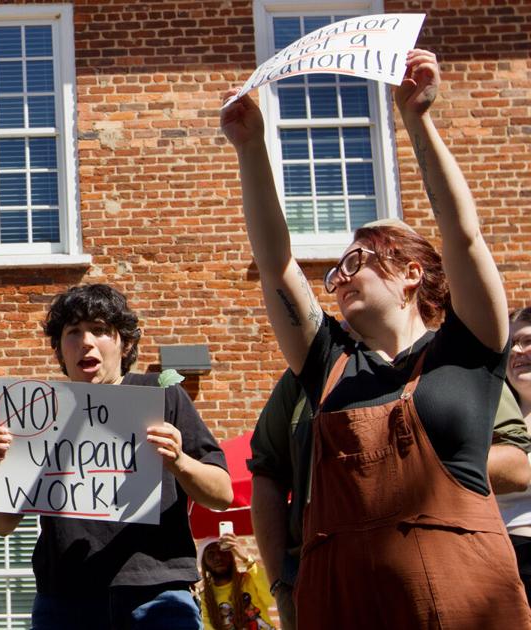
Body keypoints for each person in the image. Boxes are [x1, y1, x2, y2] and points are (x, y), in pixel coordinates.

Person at [222, 48, 531, 627]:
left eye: (356, 260)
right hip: (341, 607)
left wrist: (418, 119)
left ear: (411, 273)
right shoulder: (328, 365)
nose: (338, 280)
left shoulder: (467, 352)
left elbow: (463, 237)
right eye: (334, 273)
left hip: (463, 604)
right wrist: (250, 148)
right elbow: (275, 263)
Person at [0, 283, 233, 629]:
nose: (85, 341)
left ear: (124, 343)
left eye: (99, 330)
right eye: (73, 332)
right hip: (65, 601)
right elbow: (2, 524)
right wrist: (0, 469)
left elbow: (221, 494)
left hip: (158, 594)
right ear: (60, 350)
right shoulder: (38, 414)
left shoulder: (164, 397)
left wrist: (179, 461)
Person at [249, 366, 531, 629]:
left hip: (445, 577)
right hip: (328, 587)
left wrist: (418, 461)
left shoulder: (458, 357)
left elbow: (516, 465)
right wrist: (280, 583)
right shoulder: (310, 367)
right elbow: (267, 471)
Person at [499, 307, 531, 602]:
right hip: (500, 557)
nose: (517, 351)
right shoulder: (491, 418)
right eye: (511, 345)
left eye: (526, 341)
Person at [198, 533, 275, 630]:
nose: (218, 557)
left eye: (223, 551)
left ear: (231, 556)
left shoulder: (250, 579)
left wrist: (246, 559)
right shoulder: (204, 599)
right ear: (204, 563)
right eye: (211, 554)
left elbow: (271, 597)